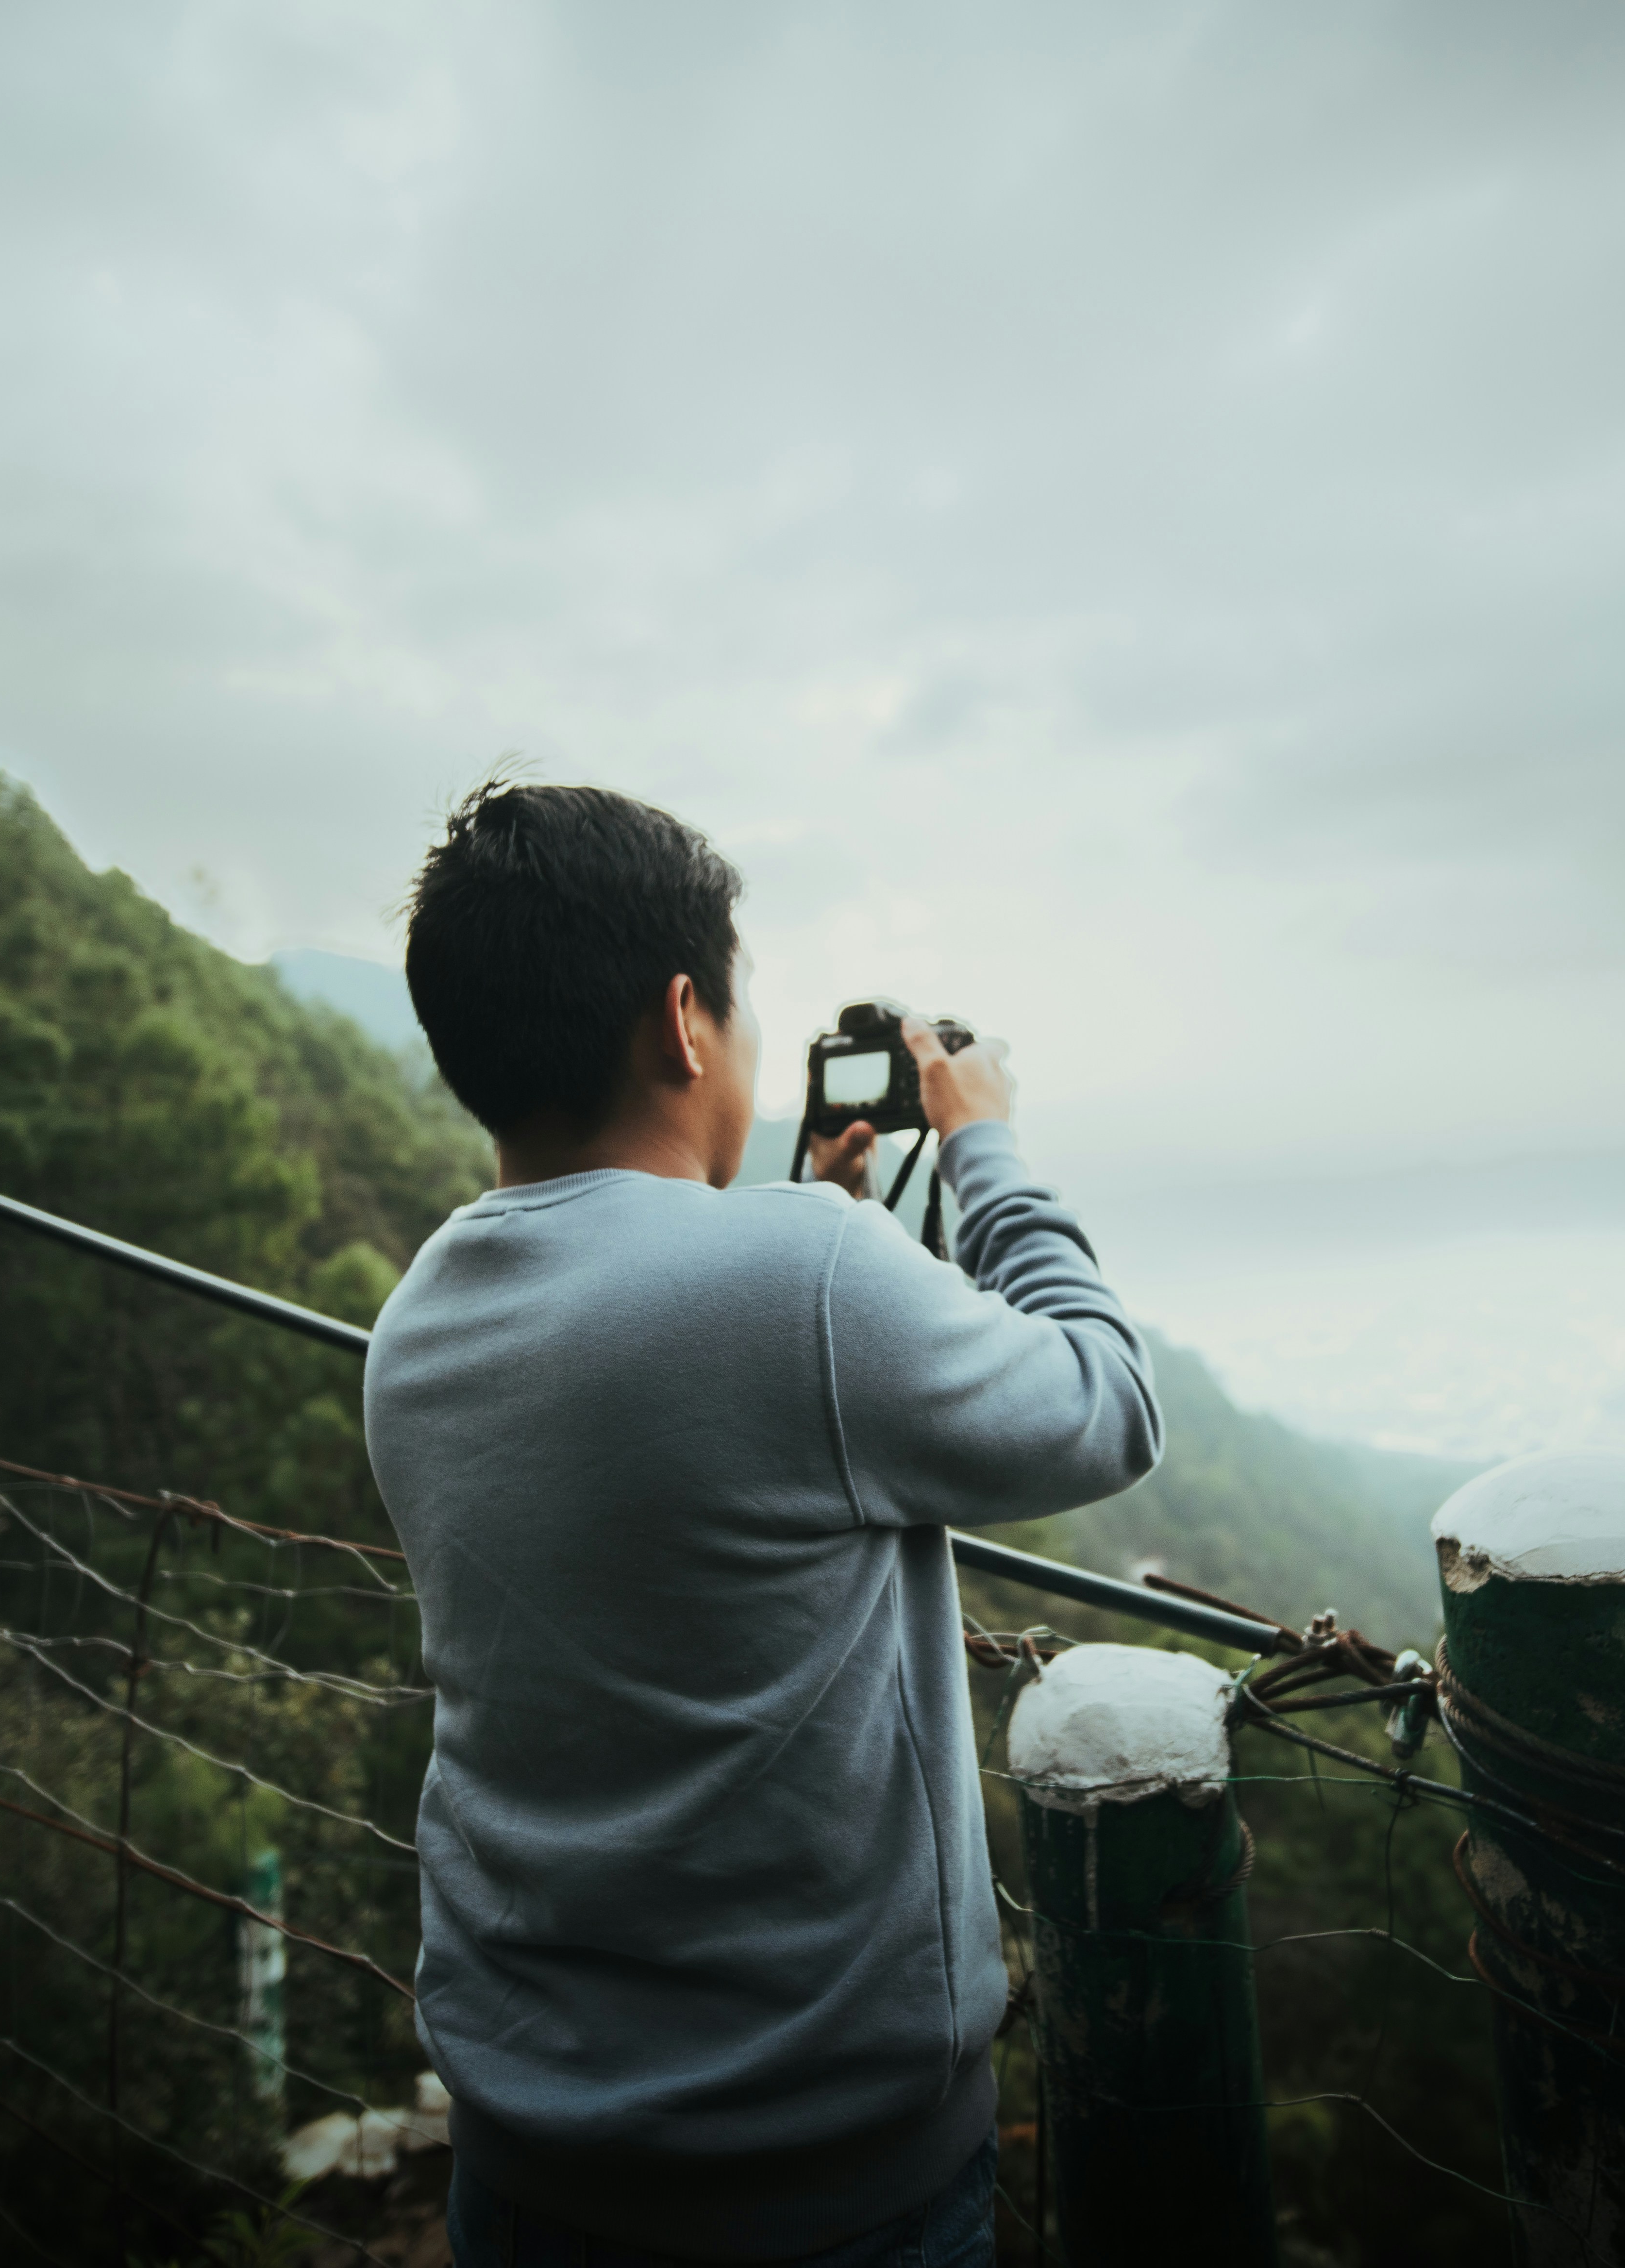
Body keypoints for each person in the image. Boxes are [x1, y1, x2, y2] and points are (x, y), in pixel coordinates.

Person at [365, 780, 1163, 2267]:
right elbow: (1109, 1403)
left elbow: (688, 1459)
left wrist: (808, 1207)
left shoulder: (415, 1323)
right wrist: (984, 1145)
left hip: (527, 2155)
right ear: (685, 1021)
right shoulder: (802, 1279)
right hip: (823, 2186)